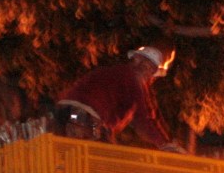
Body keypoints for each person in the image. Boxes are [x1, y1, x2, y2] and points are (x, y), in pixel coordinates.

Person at [54, 40, 185, 151]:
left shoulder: (116, 72)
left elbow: (150, 115)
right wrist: (164, 144)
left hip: (64, 113)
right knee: (104, 163)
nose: (148, 74)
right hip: (85, 117)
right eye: (148, 68)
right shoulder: (133, 79)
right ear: (137, 61)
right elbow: (143, 120)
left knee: (68, 156)